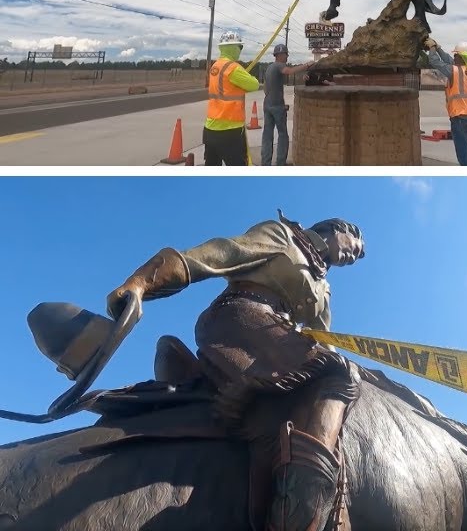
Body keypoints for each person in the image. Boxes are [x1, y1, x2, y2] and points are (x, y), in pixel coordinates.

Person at [103, 212, 366, 531]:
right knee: (341, 374)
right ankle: (295, 517)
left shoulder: (323, 288)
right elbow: (221, 253)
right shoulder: (284, 237)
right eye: (355, 245)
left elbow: (323, 335)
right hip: (238, 319)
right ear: (337, 229)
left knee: (327, 383)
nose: (355, 255)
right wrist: (143, 281)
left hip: (279, 338)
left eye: (357, 256)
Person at [204, 31, 260, 166]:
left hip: (210, 129)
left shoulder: (215, 67)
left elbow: (226, 88)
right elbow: (255, 85)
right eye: (240, 47)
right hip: (230, 130)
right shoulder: (233, 68)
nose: (240, 50)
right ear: (233, 47)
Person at [423, 41, 467, 165]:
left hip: (460, 118)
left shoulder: (453, 71)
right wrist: (439, 48)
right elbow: (449, 60)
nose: (453, 57)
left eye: (456, 55)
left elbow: (434, 61)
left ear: (461, 57)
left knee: (463, 154)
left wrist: (432, 48)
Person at [260, 44, 314, 166]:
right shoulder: (280, 65)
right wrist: (307, 65)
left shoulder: (269, 68)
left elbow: (265, 88)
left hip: (267, 105)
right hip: (277, 106)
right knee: (283, 134)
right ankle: (280, 163)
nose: (287, 58)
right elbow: (289, 71)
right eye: (286, 55)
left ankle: (265, 163)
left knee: (267, 135)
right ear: (281, 55)